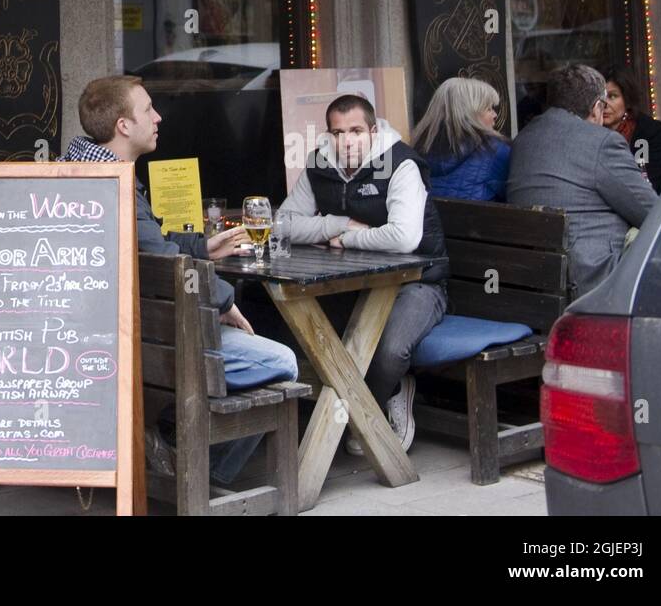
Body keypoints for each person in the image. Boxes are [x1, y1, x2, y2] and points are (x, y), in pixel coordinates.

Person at [61, 75, 298, 488]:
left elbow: (152, 244)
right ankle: (200, 468)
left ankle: (171, 438)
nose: (158, 117)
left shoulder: (77, 172)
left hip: (108, 340)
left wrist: (203, 246)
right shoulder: (110, 185)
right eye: (148, 110)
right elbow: (165, 263)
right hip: (152, 345)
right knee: (284, 363)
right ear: (123, 126)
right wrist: (224, 303)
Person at [276, 94, 449, 455]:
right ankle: (358, 415)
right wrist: (338, 223)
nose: (346, 141)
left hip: (419, 283)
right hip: (352, 285)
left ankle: (379, 404)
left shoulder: (400, 164)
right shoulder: (320, 164)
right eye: (338, 132)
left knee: (388, 352)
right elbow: (284, 224)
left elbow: (405, 238)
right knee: (307, 337)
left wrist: (348, 239)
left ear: (372, 131)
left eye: (355, 131)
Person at [508, 64, 655, 297]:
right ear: (597, 107)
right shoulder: (603, 142)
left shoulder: (524, 139)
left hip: (532, 279)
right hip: (592, 280)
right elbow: (652, 214)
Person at [413, 77, 511, 202]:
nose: (495, 115)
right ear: (471, 114)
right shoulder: (495, 149)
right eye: (489, 109)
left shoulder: (418, 148)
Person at [600, 65, 661, 195]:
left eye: (612, 96)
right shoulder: (587, 130)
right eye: (600, 97)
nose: (604, 104)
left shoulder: (650, 131)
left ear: (628, 100)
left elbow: (651, 184)